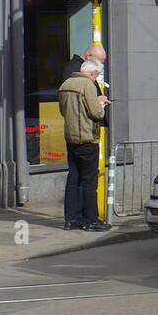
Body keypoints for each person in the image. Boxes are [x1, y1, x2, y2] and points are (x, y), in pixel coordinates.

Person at [58, 60, 110, 232]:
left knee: (73, 179)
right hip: (88, 139)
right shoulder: (87, 85)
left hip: (71, 139)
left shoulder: (65, 84)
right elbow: (95, 113)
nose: (95, 79)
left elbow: (63, 110)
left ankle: (70, 220)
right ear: (92, 73)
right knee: (89, 182)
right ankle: (91, 221)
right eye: (95, 76)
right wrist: (101, 104)